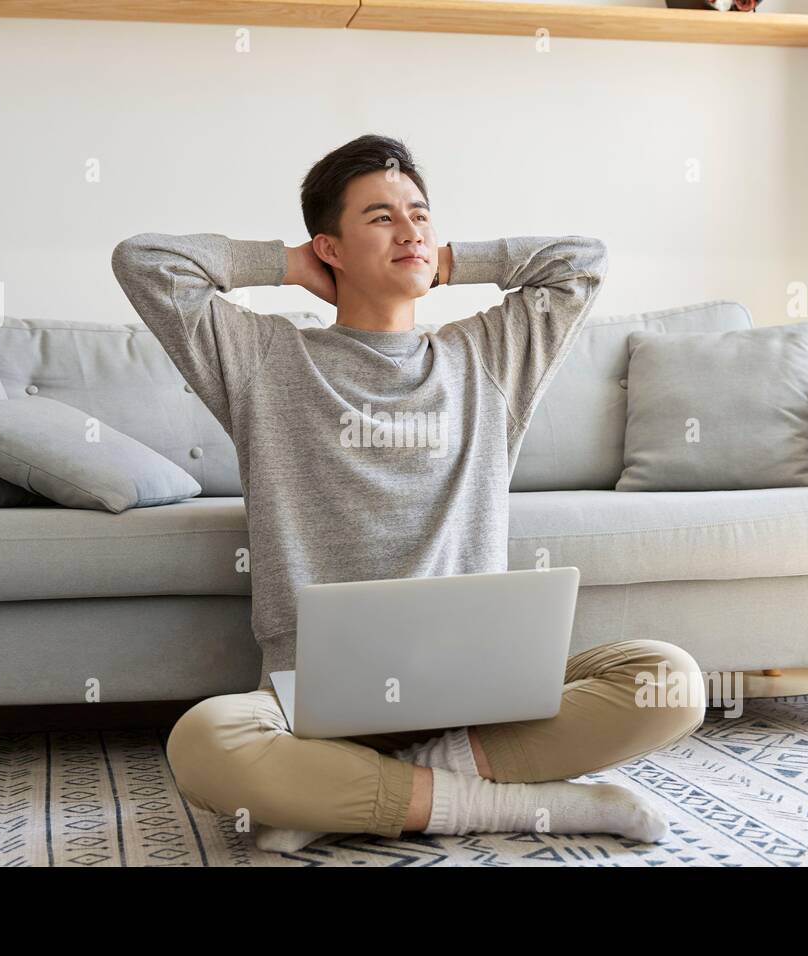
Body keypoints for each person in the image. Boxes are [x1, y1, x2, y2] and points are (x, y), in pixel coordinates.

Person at [111, 133, 706, 853]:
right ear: (330, 246)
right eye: (381, 217)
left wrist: (446, 261)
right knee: (204, 742)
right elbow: (145, 261)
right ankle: (512, 803)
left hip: (478, 695)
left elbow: (580, 264)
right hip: (318, 702)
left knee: (670, 681)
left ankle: (363, 792)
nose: (412, 229)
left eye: (420, 213)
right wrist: (290, 264)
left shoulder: (487, 357)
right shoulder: (265, 359)